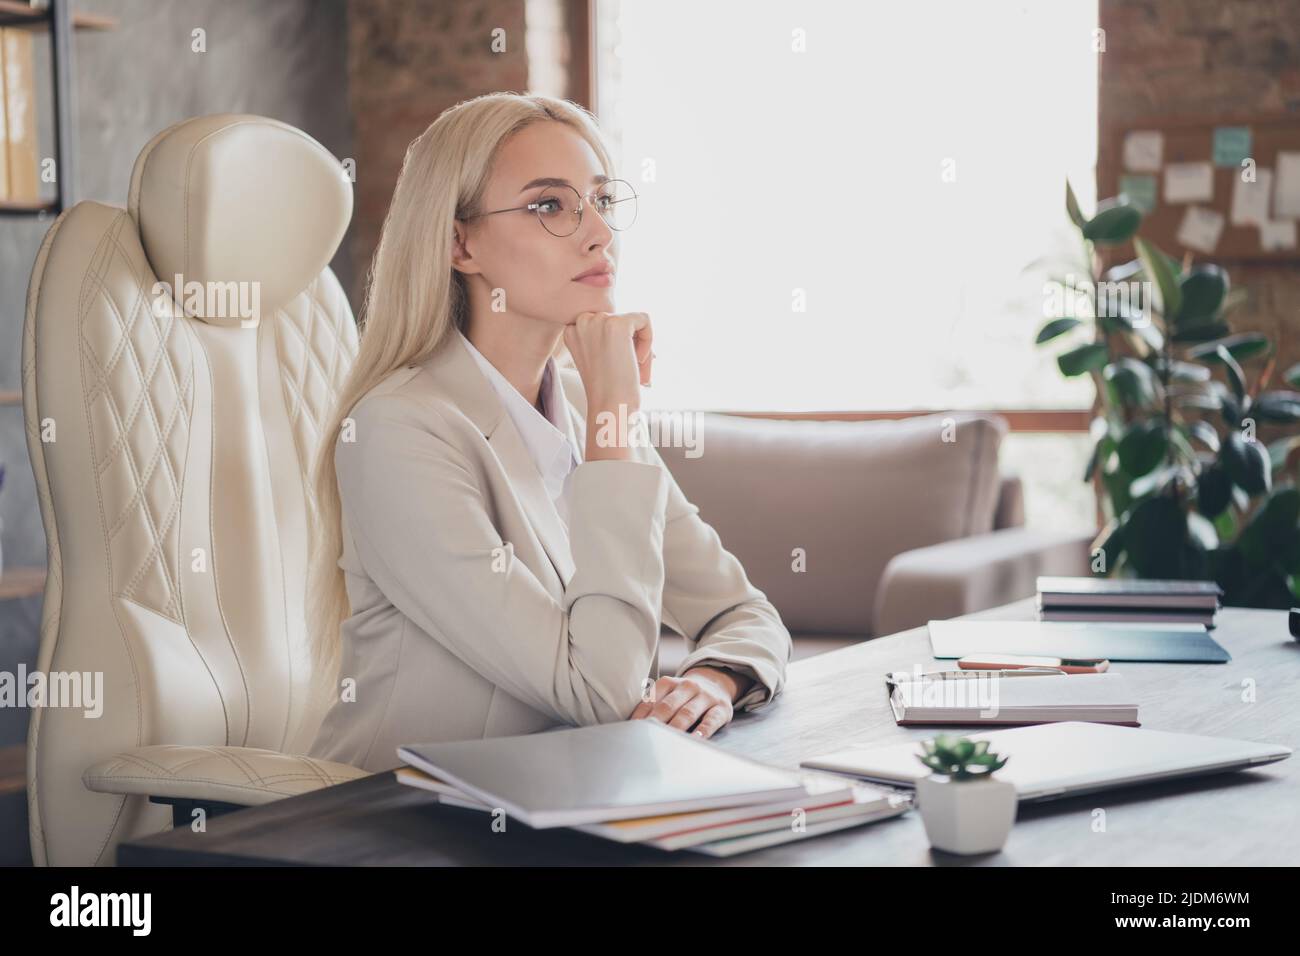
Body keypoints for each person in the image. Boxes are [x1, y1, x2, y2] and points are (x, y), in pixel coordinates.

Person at [306, 92, 791, 773]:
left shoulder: (575, 400)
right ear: (459, 242)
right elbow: (599, 692)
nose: (598, 234)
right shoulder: (397, 432)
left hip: (573, 801)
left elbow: (743, 612)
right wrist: (615, 410)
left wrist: (713, 681)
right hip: (399, 823)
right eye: (550, 205)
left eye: (600, 201)